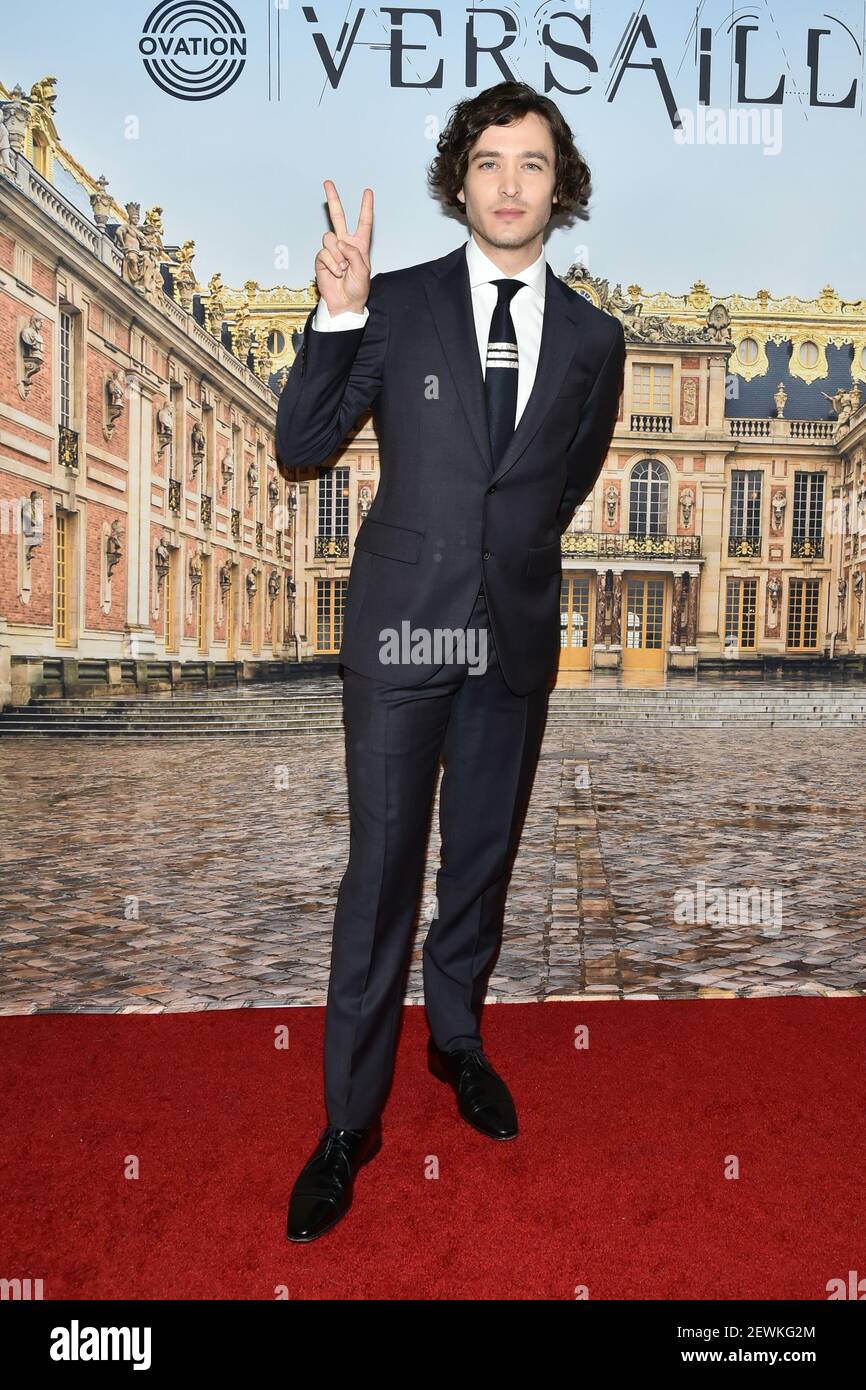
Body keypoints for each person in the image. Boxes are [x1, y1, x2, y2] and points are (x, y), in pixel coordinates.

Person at [276, 80, 625, 1242]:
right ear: (458, 179)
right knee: (379, 877)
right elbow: (300, 448)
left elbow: (557, 485)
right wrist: (333, 316)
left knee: (476, 866)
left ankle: (458, 1042)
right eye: (488, 162)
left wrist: (498, 556)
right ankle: (346, 1122)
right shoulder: (396, 304)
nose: (510, 183)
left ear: (557, 184)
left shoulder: (592, 340)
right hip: (398, 632)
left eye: (532, 163)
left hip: (507, 638)